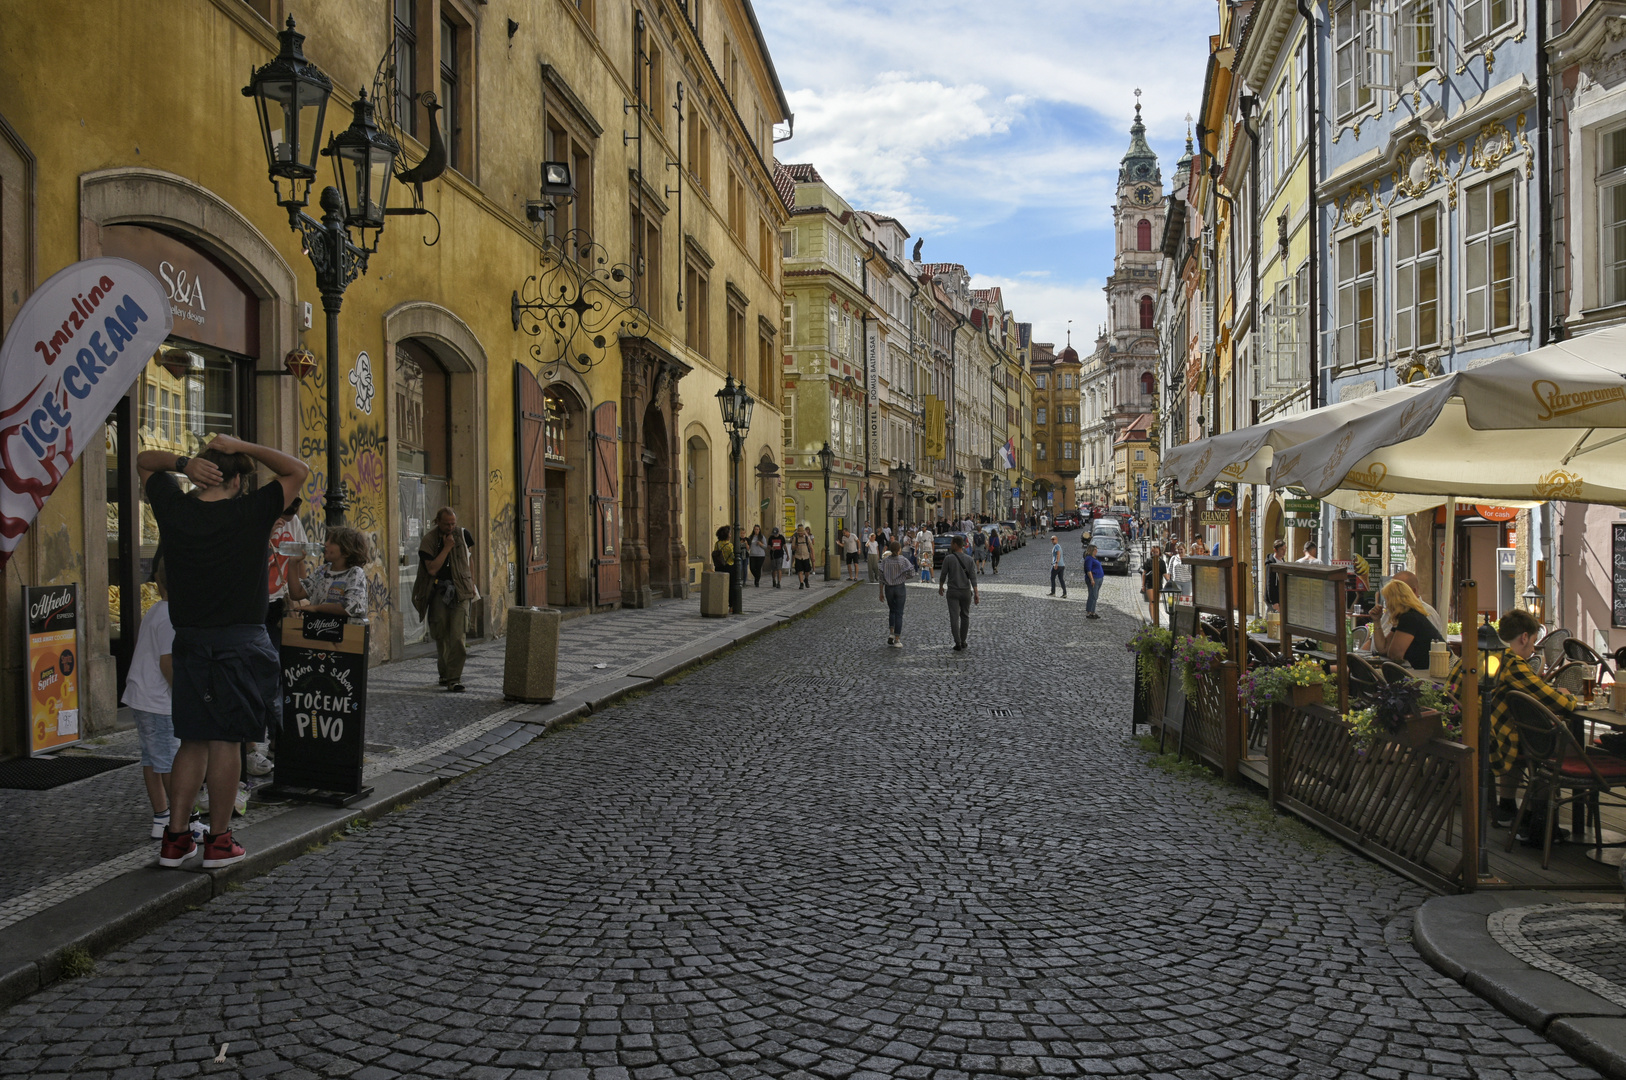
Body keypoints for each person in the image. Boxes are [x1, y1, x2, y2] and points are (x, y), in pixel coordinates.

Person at [138, 433, 308, 870]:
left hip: (190, 642)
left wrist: (183, 464)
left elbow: (144, 460)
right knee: (228, 742)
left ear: (203, 476)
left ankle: (175, 840)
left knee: (192, 740)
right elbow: (298, 470)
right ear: (237, 481)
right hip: (238, 644)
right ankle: (218, 841)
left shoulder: (176, 509)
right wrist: (243, 446)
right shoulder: (250, 511)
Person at [1448, 608, 1577, 840]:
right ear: (1524, 637)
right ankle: (1538, 821)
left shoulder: (1473, 654)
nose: (1533, 649)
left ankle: (1508, 806)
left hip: (1460, 734)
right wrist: (1569, 697)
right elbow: (1558, 703)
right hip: (1486, 743)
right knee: (1552, 744)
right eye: (1534, 642)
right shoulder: (1509, 661)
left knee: (1522, 734)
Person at [122, 558, 202, 843]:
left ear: (158, 583)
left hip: (143, 697)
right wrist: (184, 698)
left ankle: (162, 817)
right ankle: (184, 821)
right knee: (169, 762)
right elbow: (167, 663)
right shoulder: (171, 617)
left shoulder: (156, 610)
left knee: (153, 759)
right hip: (158, 701)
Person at [414, 507, 478, 693]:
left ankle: (454, 679)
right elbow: (432, 569)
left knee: (458, 636)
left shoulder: (464, 535)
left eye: (453, 524)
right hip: (438, 591)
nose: (450, 527)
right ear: (438, 522)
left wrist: (471, 582)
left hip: (461, 591)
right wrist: (447, 547)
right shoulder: (429, 540)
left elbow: (469, 559)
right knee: (441, 634)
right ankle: (444, 674)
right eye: (446, 524)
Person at [288, 526, 371, 621]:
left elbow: (350, 607)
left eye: (332, 542)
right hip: (317, 626)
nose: (325, 544)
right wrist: (293, 563)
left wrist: (316, 608)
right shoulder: (322, 570)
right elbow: (296, 594)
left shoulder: (355, 573)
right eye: (327, 540)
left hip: (344, 629)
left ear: (346, 551)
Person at [1370, 578, 1445, 669]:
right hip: (1429, 668)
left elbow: (1395, 654)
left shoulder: (1410, 617)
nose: (1387, 605)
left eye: (1387, 600)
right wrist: (1376, 621)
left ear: (1394, 600)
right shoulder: (1406, 617)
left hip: (1438, 670)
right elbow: (1383, 648)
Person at [939, 535, 980, 650]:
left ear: (956, 545)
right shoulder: (969, 559)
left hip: (953, 591)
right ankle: (963, 640)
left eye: (952, 543)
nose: (950, 545)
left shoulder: (948, 559)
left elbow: (943, 574)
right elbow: (973, 578)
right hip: (966, 592)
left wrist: (941, 586)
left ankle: (957, 642)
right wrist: (976, 593)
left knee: (954, 617)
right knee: (965, 616)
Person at [1382, 569, 1447, 640]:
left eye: (1398, 592)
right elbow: (1382, 642)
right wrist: (1376, 622)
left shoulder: (1422, 613)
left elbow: (1397, 647)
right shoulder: (1393, 611)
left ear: (1413, 591)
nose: (1392, 597)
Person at [878, 540, 913, 648]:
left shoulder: (885, 561)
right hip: (900, 587)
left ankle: (891, 633)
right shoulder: (903, 560)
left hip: (888, 588)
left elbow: (881, 577)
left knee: (892, 610)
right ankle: (897, 639)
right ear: (899, 550)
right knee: (899, 613)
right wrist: (904, 577)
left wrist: (881, 592)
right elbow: (911, 572)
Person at [1083, 544, 1105, 620]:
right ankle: (1089, 612)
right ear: (1091, 550)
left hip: (1098, 578)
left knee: (1095, 596)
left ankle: (1093, 611)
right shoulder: (1089, 558)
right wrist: (1092, 579)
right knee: (1092, 595)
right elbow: (1088, 570)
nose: (1096, 551)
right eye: (1095, 549)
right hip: (1094, 578)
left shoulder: (1094, 558)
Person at [1264, 538, 1286, 610]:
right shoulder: (1270, 563)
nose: (1284, 551)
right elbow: (1269, 582)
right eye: (1282, 549)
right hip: (1274, 601)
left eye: (1285, 549)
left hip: (1281, 598)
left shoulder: (1283, 562)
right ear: (1275, 550)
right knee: (1271, 616)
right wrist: (1273, 602)